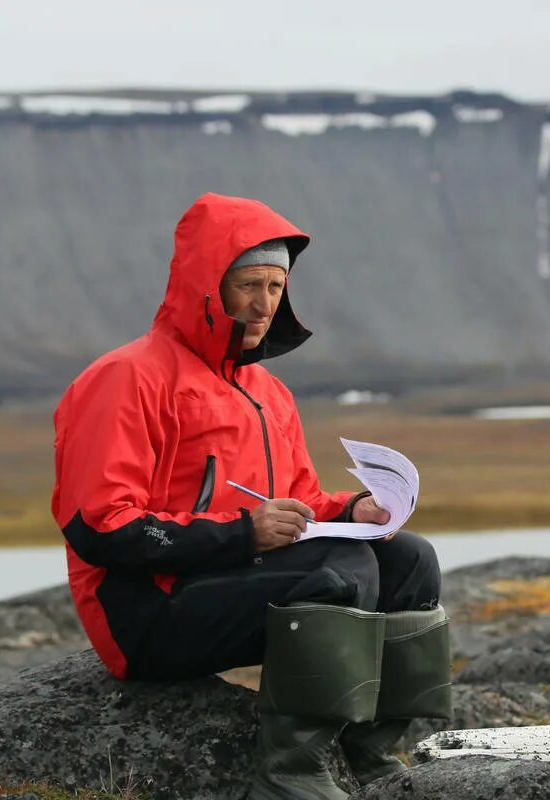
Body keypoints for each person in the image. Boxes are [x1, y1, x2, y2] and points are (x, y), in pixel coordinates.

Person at [51, 192, 450, 800]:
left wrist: (352, 510)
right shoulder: (126, 377)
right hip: (147, 613)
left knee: (409, 558)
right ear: (205, 285)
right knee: (339, 567)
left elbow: (296, 500)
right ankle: (289, 771)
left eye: (276, 286)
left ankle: (365, 749)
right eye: (248, 285)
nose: (265, 304)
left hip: (230, 586)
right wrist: (243, 533)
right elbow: (99, 526)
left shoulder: (265, 390)